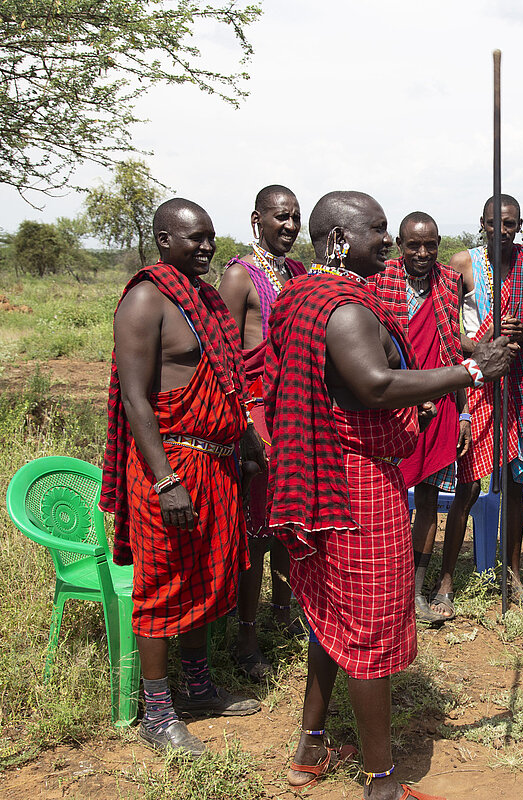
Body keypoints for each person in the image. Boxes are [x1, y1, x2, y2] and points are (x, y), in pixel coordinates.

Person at [264, 191, 516, 799]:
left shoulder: (302, 297)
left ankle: (310, 747)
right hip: (356, 485)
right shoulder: (344, 309)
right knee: (370, 631)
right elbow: (375, 385)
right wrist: (474, 372)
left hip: (322, 477)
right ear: (338, 240)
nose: (387, 242)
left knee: (331, 622)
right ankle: (382, 783)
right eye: (376, 231)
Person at [101, 198, 262, 757]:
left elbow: (228, 378)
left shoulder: (203, 299)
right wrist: (167, 480)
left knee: (208, 579)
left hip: (215, 462)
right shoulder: (146, 300)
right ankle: (158, 711)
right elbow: (134, 398)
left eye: (211, 237)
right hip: (171, 465)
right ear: (164, 240)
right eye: (194, 238)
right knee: (163, 583)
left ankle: (196, 686)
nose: (206, 247)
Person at [432, 194, 523, 612]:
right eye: (496, 223)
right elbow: (446, 327)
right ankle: (445, 582)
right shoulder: (463, 264)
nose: (504, 230)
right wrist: (478, 348)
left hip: (519, 383)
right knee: (469, 484)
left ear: (520, 225)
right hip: (478, 383)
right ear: (483, 224)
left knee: (516, 482)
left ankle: (513, 577)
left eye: (512, 223)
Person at [218, 184, 308, 679]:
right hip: (256, 413)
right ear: (257, 219)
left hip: (292, 409)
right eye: (281, 218)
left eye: (295, 217)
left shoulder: (296, 272)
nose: (290, 227)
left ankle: (284, 613)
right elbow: (224, 357)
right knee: (256, 526)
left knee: (289, 520)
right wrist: (240, 430)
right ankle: (246, 635)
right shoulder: (238, 277)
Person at [368, 212, 470, 626]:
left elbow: (451, 349)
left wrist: (463, 412)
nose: (423, 253)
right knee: (385, 502)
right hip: (392, 406)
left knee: (428, 500)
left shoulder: (448, 282)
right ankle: (379, 591)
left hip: (440, 404)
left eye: (430, 245)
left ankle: (414, 593)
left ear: (439, 243)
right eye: (414, 245)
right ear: (399, 244)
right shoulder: (378, 281)